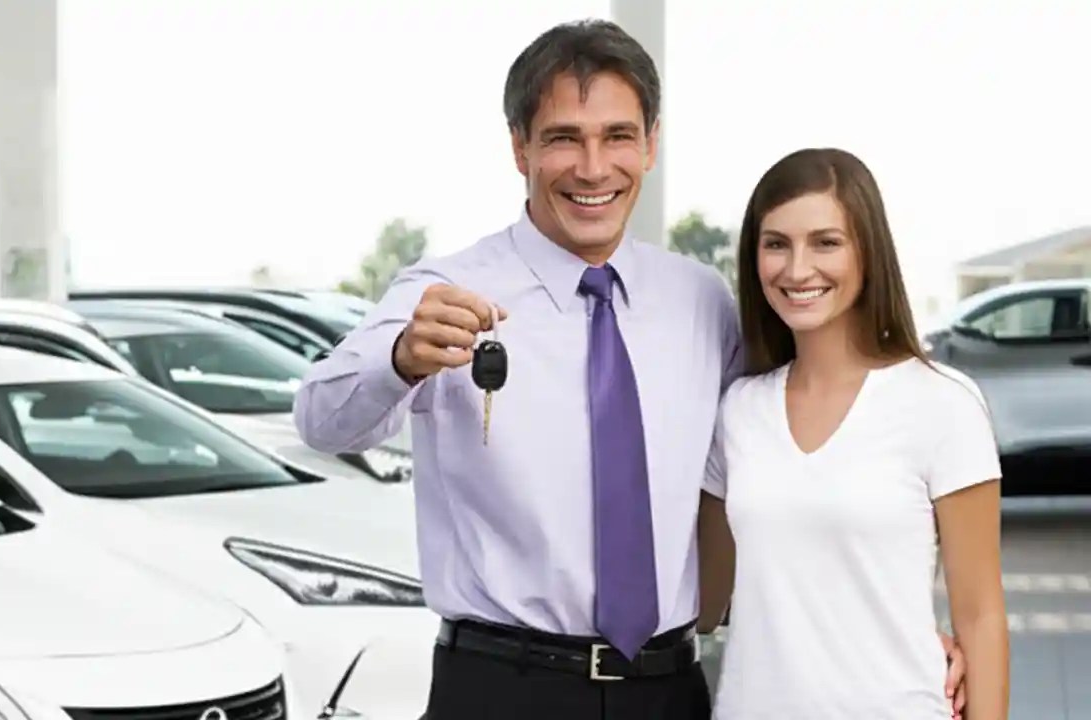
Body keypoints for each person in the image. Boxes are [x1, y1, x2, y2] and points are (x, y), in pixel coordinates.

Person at [294, 19, 966, 720]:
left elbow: (785, 482)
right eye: (563, 138)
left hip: (667, 690)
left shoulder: (701, 300)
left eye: (617, 136)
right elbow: (320, 421)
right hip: (502, 689)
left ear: (650, 144)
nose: (593, 168)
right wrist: (399, 359)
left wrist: (895, 642)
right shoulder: (445, 291)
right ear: (520, 147)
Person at [697, 148, 1009, 719]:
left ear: (868, 250)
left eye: (826, 242)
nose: (797, 269)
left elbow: (981, 616)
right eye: (776, 244)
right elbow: (702, 602)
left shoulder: (943, 405)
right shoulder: (738, 410)